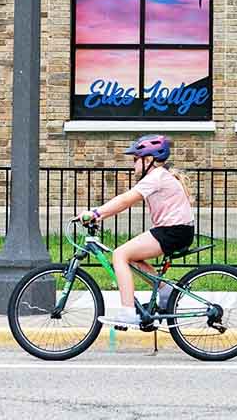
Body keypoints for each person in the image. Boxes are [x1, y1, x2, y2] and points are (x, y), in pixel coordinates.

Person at [77, 134, 194, 328]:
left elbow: (125, 200)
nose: (133, 165)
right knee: (131, 257)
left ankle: (128, 312)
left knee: (120, 254)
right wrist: (100, 215)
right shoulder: (158, 176)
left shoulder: (155, 176)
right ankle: (165, 291)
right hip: (175, 230)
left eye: (135, 160)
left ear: (148, 160)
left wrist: (96, 213)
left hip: (173, 231)